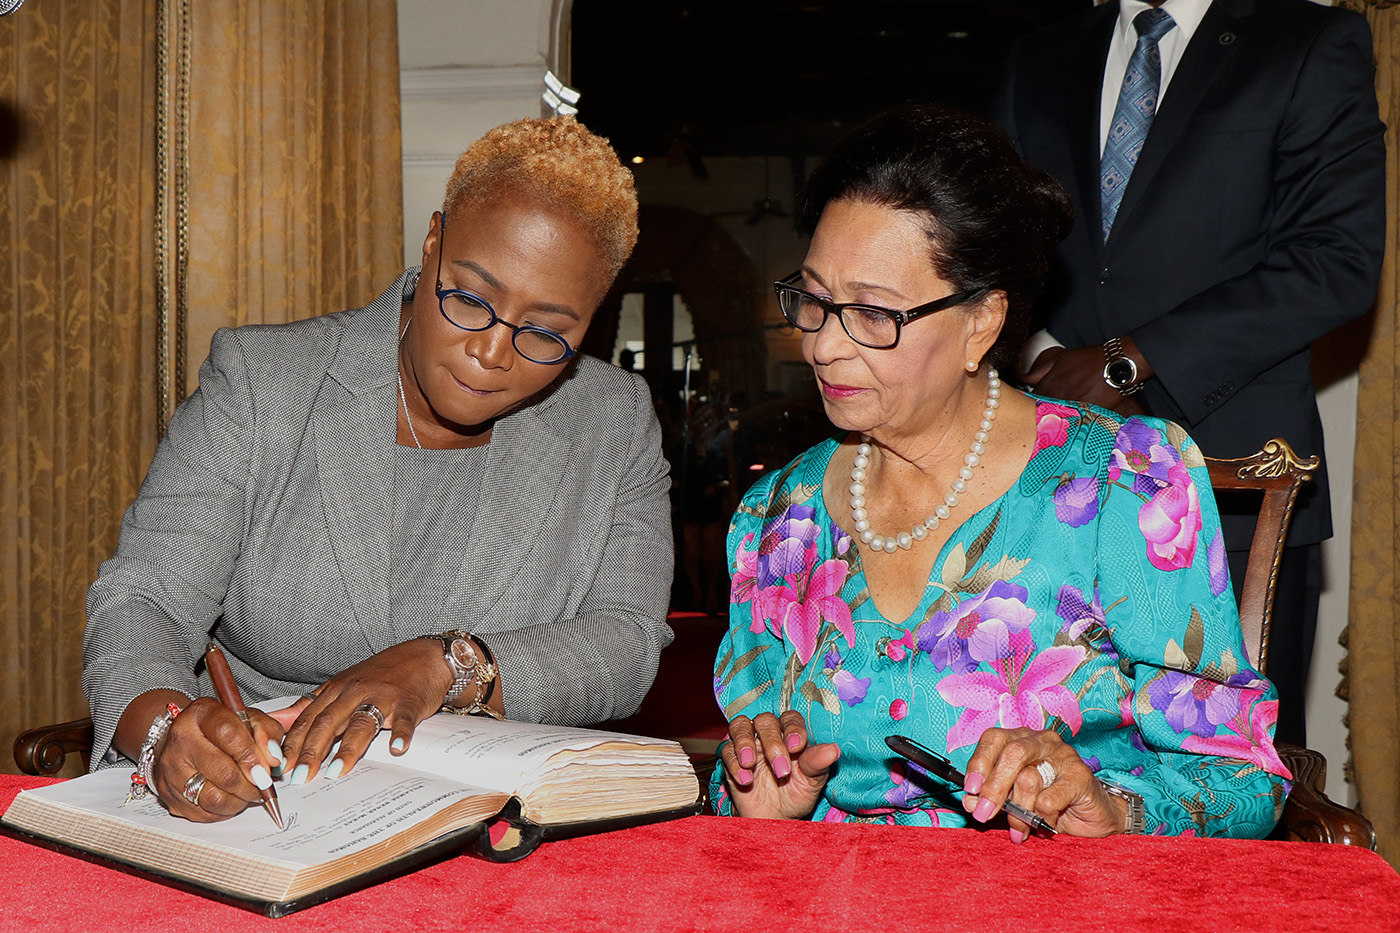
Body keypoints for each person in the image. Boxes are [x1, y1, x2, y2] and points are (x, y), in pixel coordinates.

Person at [712, 105, 1290, 839]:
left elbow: (1243, 775)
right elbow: (746, 760)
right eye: (816, 301)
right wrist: (759, 803)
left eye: (872, 314)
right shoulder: (775, 519)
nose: (823, 345)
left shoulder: (1124, 481)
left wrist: (1115, 808)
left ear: (981, 322)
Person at [83, 116, 674, 822]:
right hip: (266, 810)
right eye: (471, 298)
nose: (492, 352)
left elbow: (626, 642)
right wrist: (165, 730)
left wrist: (447, 665)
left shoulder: (613, 420)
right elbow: (145, 599)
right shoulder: (264, 383)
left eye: (546, 331)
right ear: (433, 243)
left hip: (494, 828)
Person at [995, 0, 1386, 746]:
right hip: (1044, 478)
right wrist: (1035, 349)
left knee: (1232, 773)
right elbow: (984, 237)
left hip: (1234, 490)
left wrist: (1132, 360)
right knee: (1048, 764)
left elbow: (1335, 261)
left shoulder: (1305, 41)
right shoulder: (1039, 55)